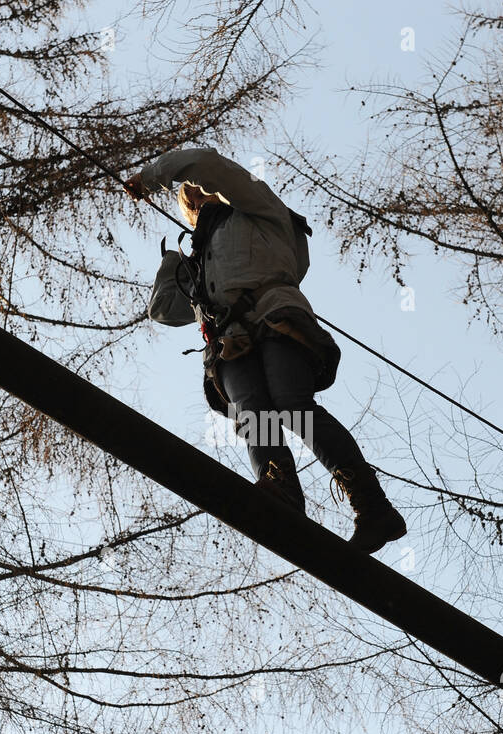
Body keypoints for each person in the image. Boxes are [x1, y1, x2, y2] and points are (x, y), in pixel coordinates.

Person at [124, 146, 406, 553]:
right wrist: (172, 263)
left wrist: (150, 175)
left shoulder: (259, 210)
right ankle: (282, 494)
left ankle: (373, 507)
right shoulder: (203, 264)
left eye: (204, 194)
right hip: (228, 341)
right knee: (252, 414)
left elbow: (207, 163)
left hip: (277, 316)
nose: (200, 201)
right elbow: (164, 310)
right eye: (193, 203)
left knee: (291, 404)